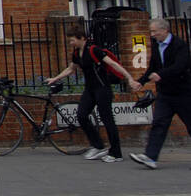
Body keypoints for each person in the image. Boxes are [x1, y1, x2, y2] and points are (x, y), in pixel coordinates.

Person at [47, 22, 138, 162]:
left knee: (107, 120)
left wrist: (129, 78)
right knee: (81, 115)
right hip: (90, 89)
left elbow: (113, 64)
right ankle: (98, 145)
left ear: (82, 38)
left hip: (103, 88)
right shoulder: (77, 53)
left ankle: (116, 153)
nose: (71, 43)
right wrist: (55, 78)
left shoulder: (94, 50)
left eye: (72, 40)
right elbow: (71, 68)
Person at [130, 18, 191, 169]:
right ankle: (150, 157)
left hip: (183, 93)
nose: (152, 34)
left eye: (154, 31)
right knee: (159, 123)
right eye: (151, 31)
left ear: (165, 30)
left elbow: (181, 66)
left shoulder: (179, 45)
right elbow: (153, 67)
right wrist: (141, 81)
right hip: (165, 94)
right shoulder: (156, 45)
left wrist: (161, 74)